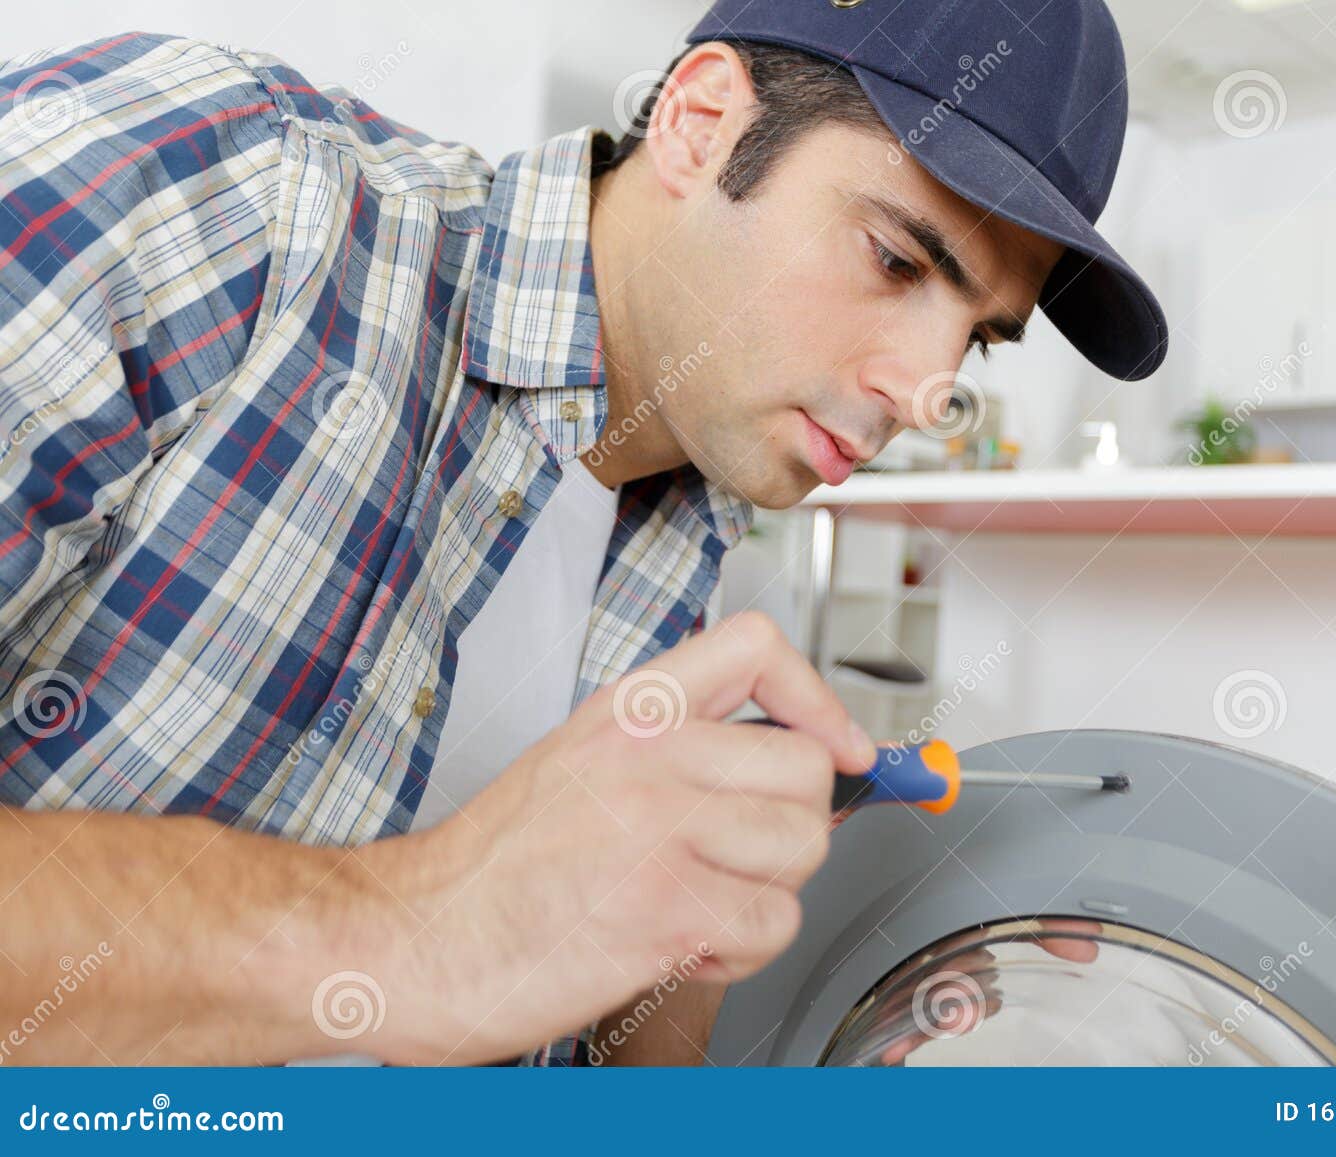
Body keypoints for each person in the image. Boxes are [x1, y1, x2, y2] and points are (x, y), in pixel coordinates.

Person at [0, 0, 1166, 1065]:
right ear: (701, 125)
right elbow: (442, 942)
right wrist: (414, 924)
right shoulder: (220, 189)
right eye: (896, 259)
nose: (924, 390)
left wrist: (822, 979)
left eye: (977, 336)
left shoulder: (694, 538)